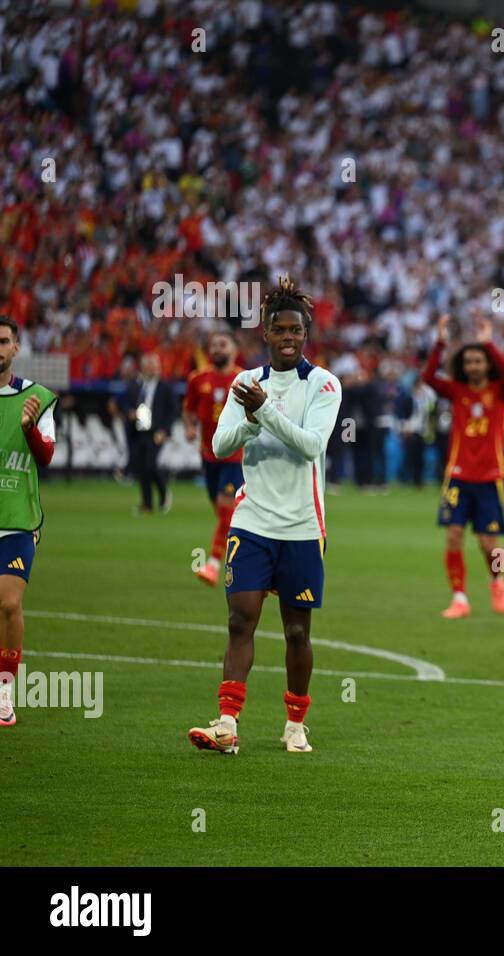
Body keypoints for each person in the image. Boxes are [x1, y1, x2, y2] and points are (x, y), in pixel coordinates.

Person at [187, 277, 342, 754]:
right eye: (281, 331)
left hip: (301, 526)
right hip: (252, 520)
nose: (290, 338)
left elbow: (311, 446)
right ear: (267, 334)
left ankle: (296, 722)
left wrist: (263, 415)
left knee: (297, 630)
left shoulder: (324, 384)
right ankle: (228, 723)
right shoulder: (244, 382)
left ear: (306, 334)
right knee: (240, 621)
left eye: (297, 330)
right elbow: (218, 444)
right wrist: (252, 417)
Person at [420, 311, 504, 618]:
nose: (474, 365)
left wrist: (488, 343)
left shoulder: (500, 390)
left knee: (490, 544)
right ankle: (459, 597)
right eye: (469, 361)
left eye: (479, 360)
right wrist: (440, 342)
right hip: (457, 478)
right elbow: (428, 378)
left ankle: (497, 581)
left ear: (487, 363)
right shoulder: (456, 391)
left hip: (488, 479)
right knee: (453, 535)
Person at [0, 316, 58, 728]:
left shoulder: (37, 398)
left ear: (16, 347)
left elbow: (47, 457)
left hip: (19, 519)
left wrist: (29, 429)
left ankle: (4, 691)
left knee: (8, 603)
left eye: (3, 341)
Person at [184, 329, 245, 586]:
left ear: (234, 349)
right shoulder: (198, 378)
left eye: (223, 344)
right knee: (224, 514)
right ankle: (242, 552)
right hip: (208, 456)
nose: (218, 349)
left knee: (225, 509)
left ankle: (213, 564)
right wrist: (189, 427)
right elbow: (188, 408)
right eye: (214, 345)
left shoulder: (244, 379)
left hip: (235, 455)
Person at [124, 351, 178, 515]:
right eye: (150, 366)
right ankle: (147, 504)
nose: (153, 369)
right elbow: (125, 403)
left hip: (156, 432)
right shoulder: (137, 386)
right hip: (139, 431)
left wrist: (164, 430)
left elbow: (173, 410)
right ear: (143, 368)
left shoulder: (166, 387)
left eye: (155, 366)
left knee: (151, 465)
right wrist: (129, 413)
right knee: (142, 469)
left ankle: (163, 492)